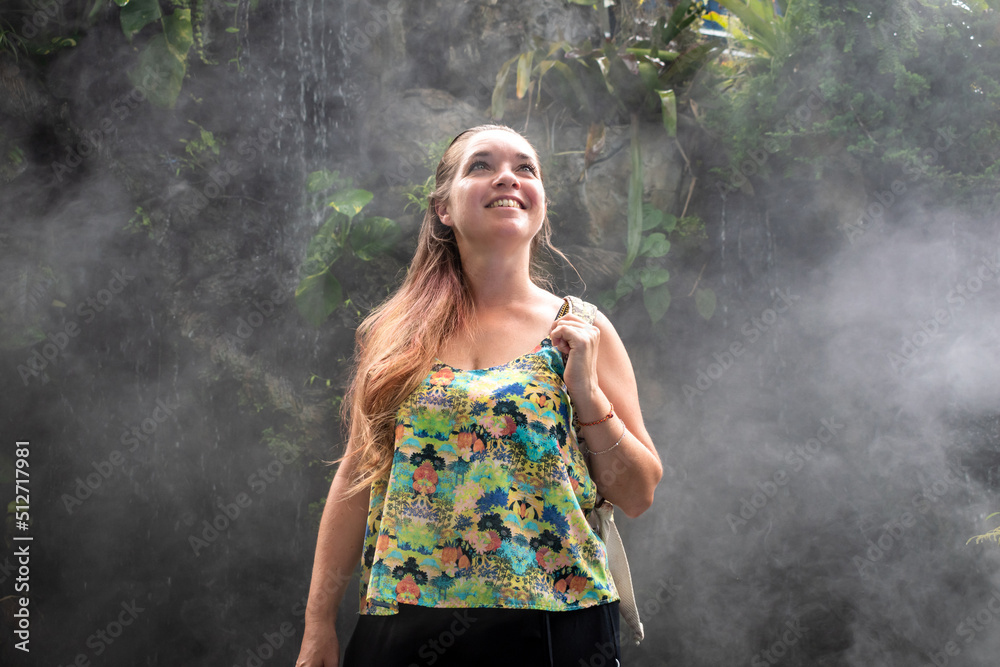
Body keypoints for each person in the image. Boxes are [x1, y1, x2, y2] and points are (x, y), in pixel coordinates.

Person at [294, 124, 662, 667]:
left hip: (556, 622)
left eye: (525, 167)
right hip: (405, 618)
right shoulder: (395, 334)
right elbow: (356, 476)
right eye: (481, 165)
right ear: (443, 208)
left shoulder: (583, 328)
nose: (507, 178)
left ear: (541, 204)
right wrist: (318, 623)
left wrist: (584, 392)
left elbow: (638, 493)